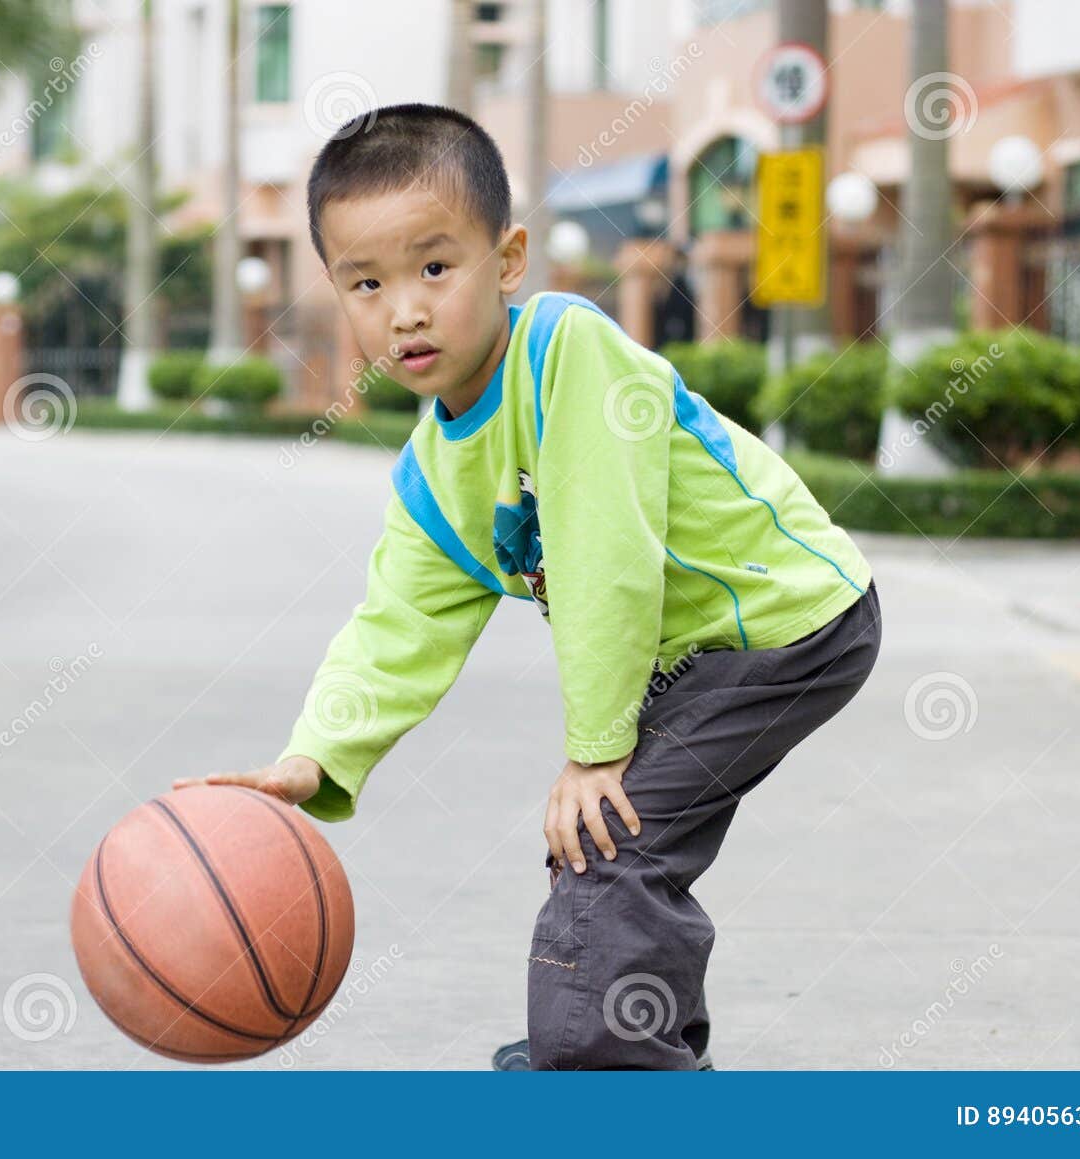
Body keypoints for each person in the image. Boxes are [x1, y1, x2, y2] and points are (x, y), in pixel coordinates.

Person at [173, 103, 883, 1070]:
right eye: (366, 283)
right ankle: (637, 1049)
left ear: (506, 260)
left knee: (607, 834)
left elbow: (606, 558)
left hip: (785, 621)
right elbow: (399, 623)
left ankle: (600, 1065)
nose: (405, 309)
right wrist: (314, 756)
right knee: (613, 841)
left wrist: (596, 751)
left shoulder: (566, 351)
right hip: (700, 654)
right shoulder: (433, 477)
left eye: (435, 267)